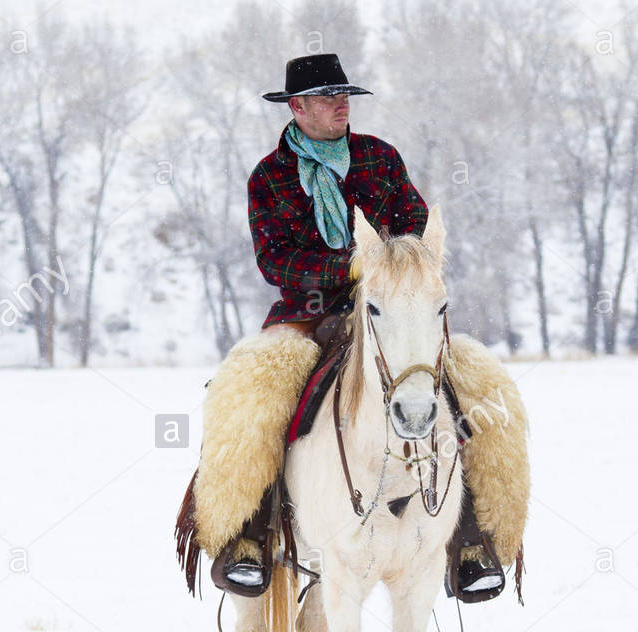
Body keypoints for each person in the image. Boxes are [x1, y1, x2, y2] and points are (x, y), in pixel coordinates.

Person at [188, 54, 510, 601]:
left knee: (465, 387)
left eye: (345, 95)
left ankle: (472, 542)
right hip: (308, 313)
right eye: (327, 96)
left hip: (390, 308)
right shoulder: (269, 177)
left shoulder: (380, 158)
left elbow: (414, 230)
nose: (342, 104)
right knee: (254, 398)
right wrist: (344, 268)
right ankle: (249, 537)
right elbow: (274, 261)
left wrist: (389, 265)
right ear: (297, 107)